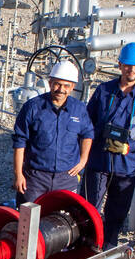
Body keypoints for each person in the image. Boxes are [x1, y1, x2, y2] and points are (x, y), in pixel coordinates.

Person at [83, 42, 135, 247]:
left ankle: (108, 249)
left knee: (116, 215)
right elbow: (87, 122)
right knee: (88, 209)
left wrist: (130, 147)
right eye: (127, 65)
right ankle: (85, 248)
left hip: (127, 167)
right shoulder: (104, 91)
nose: (131, 70)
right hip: (99, 162)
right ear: (119, 65)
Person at [13, 60, 94, 205]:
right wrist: (18, 174)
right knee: (29, 216)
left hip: (66, 179)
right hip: (35, 178)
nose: (61, 89)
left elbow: (87, 133)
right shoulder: (32, 108)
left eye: (66, 86)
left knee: (63, 216)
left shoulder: (79, 109)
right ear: (50, 83)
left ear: (73, 87)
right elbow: (20, 142)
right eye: (57, 84)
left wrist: (83, 160)